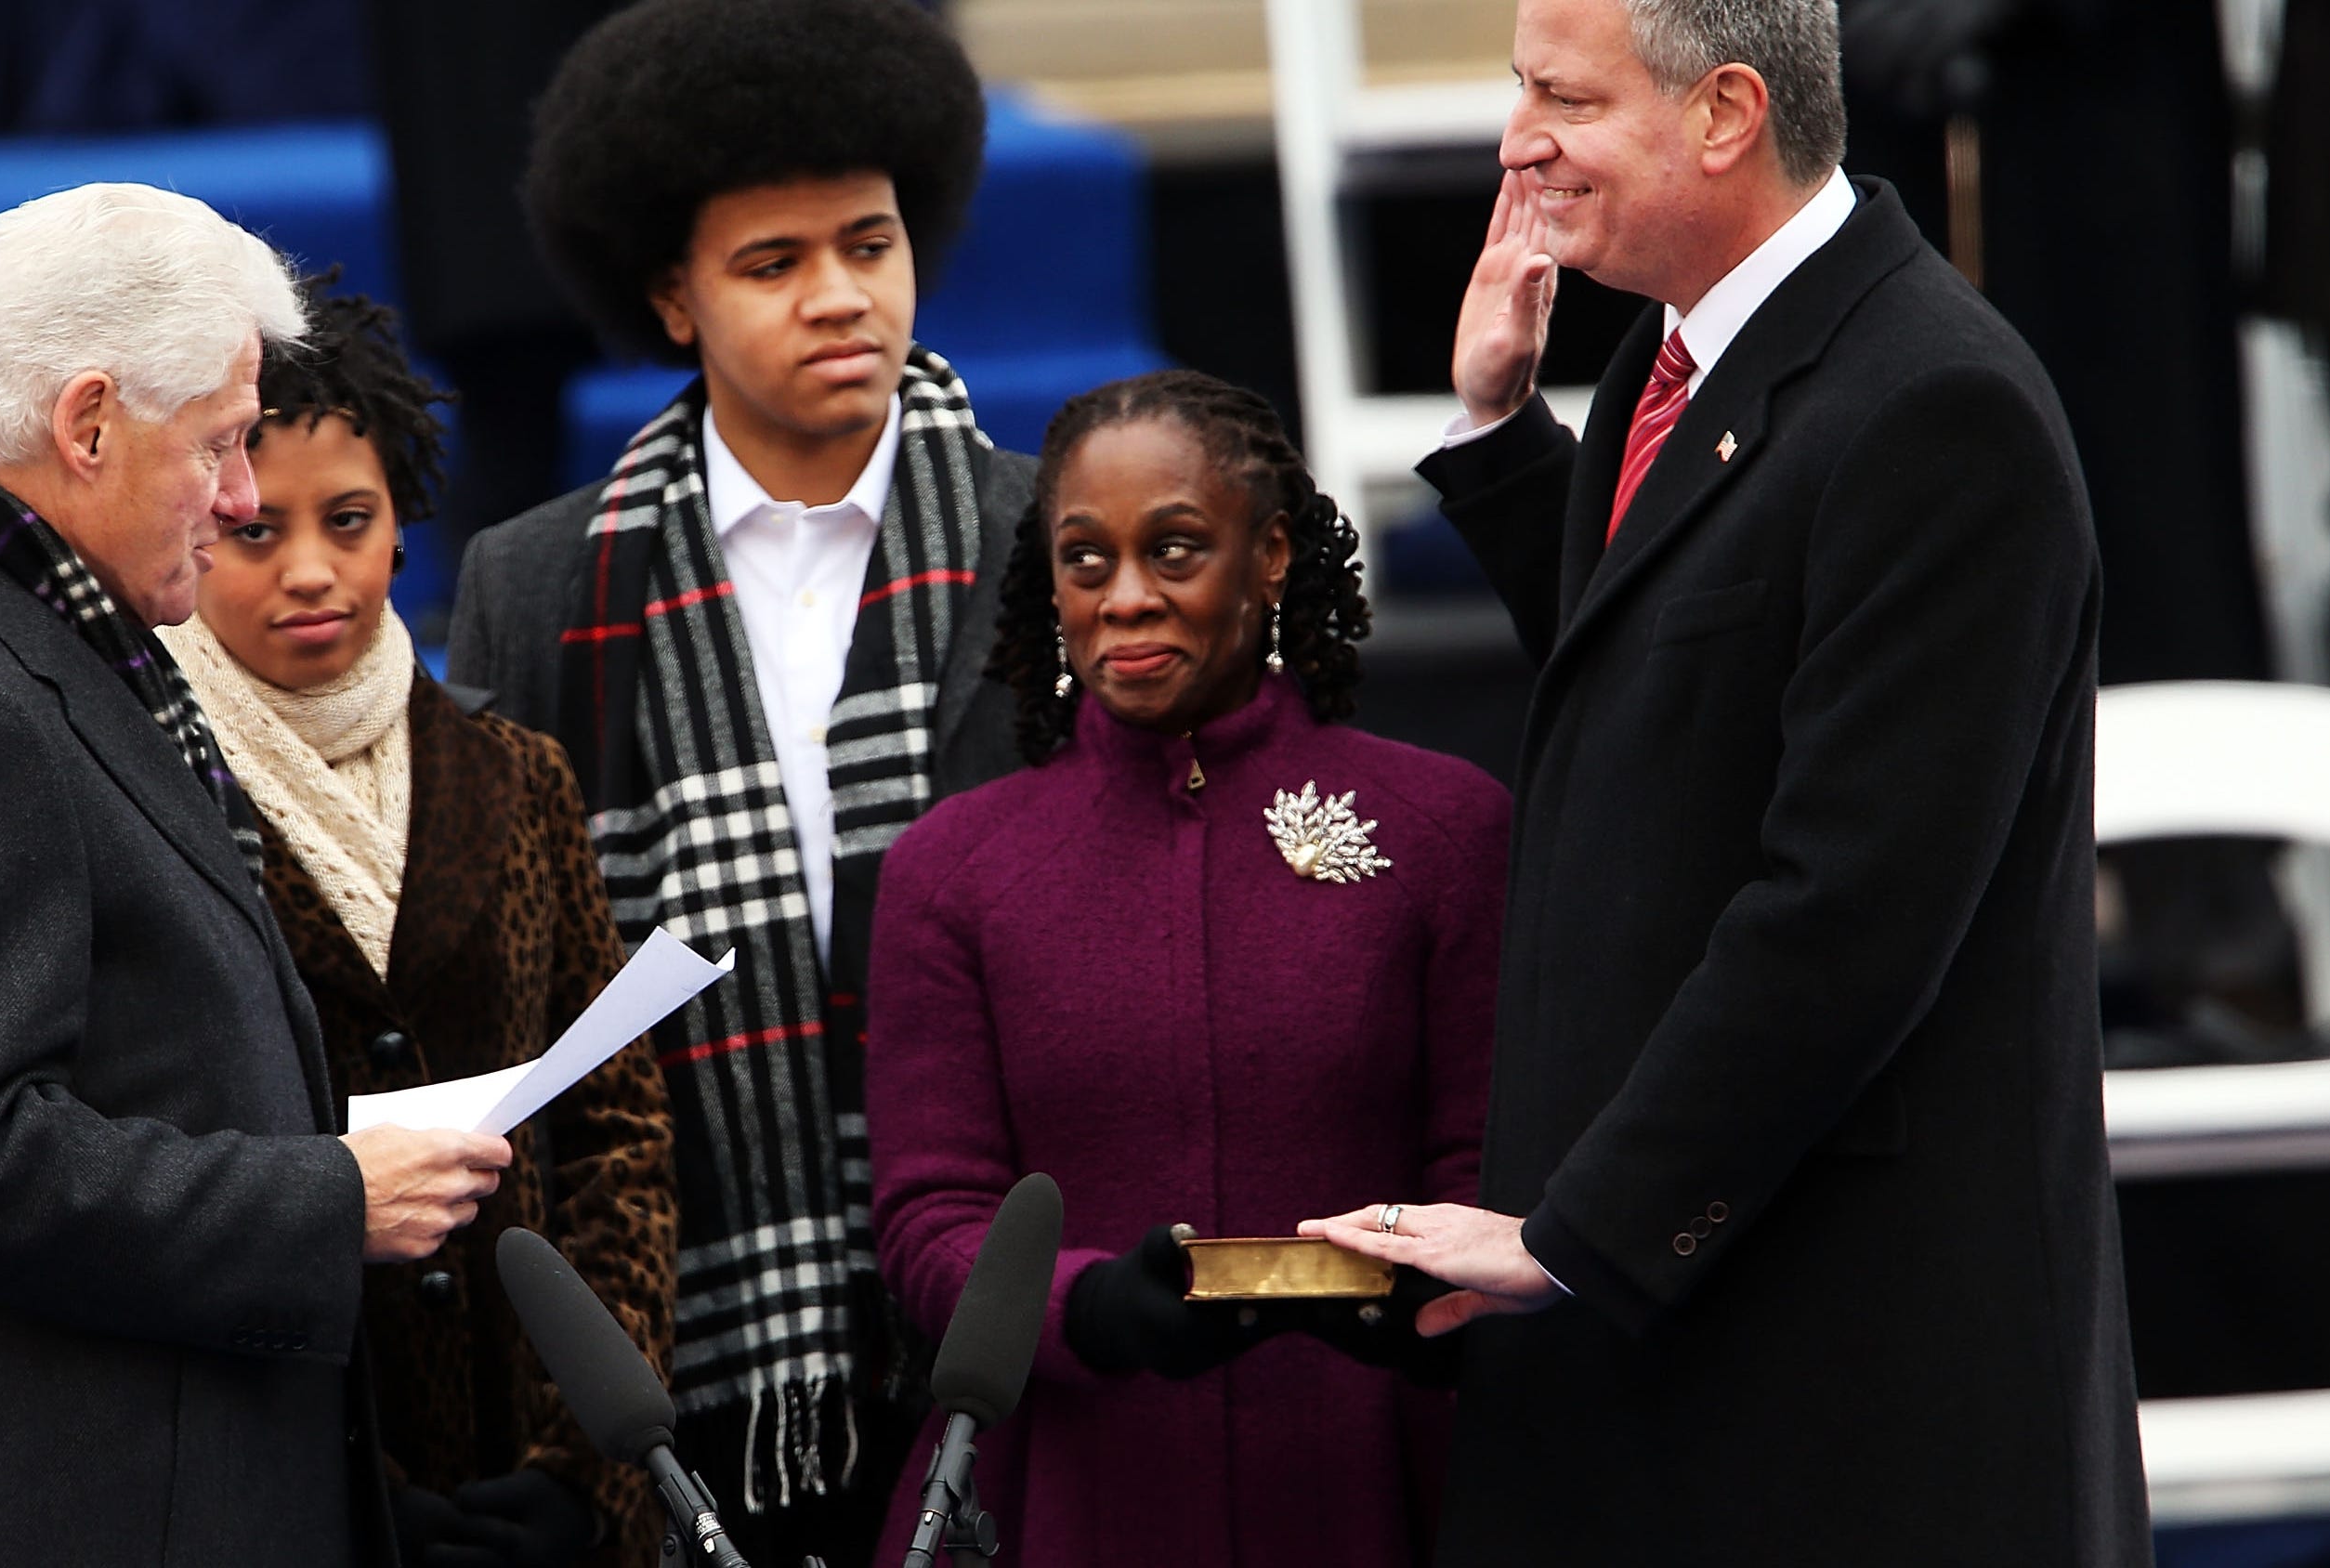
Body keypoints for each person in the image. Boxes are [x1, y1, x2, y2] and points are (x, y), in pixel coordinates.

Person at [1298, 2, 2149, 1563]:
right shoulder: (1675, 351)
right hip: (1703, 1338)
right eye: (1521, 91)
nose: (1518, 144)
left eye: (1566, 99)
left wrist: (1579, 1236)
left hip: (1855, 1376)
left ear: (1725, 113)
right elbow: (1668, 690)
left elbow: (1849, 915)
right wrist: (1501, 434)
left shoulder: (1939, 405)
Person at [0, 183, 510, 1566]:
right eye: (220, 443)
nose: (241, 498)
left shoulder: (3, 642)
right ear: (89, 424)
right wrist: (332, 1201)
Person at [445, 1, 1037, 1558]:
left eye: (870, 244)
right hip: (696, 1343)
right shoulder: (539, 581)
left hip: (1011, 1313)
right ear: (672, 297)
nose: (841, 295)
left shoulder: (1049, 533)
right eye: (774, 263)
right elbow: (521, 986)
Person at [865, 369, 1508, 1568]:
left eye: (1174, 549)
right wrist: (1089, 1308)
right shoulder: (949, 871)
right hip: (1063, 1492)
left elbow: (1485, 1165)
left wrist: (1418, 1298)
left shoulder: (1447, 829)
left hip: (1372, 1476)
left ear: (1270, 557)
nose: (1125, 598)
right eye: (1086, 560)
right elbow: (928, 1218)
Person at [151, 280, 677, 1568]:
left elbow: (617, 1137)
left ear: (403, 523)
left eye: (351, 520)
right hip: (295, 1477)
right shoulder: (148, 796)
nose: (312, 570)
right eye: (258, 532)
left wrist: (583, 1470)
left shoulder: (518, 776)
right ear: (198, 527)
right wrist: (354, 1492)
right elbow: (166, 1174)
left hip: (535, 1475)